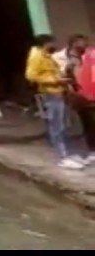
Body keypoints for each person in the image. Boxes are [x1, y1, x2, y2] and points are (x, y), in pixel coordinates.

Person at [25, 34, 86, 169]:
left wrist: (62, 79)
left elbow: (49, 72)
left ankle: (67, 154)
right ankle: (62, 158)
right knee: (56, 126)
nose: (54, 45)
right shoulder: (37, 56)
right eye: (52, 42)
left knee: (63, 125)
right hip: (50, 94)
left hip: (57, 92)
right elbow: (31, 76)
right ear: (46, 43)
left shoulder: (45, 55)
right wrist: (56, 80)